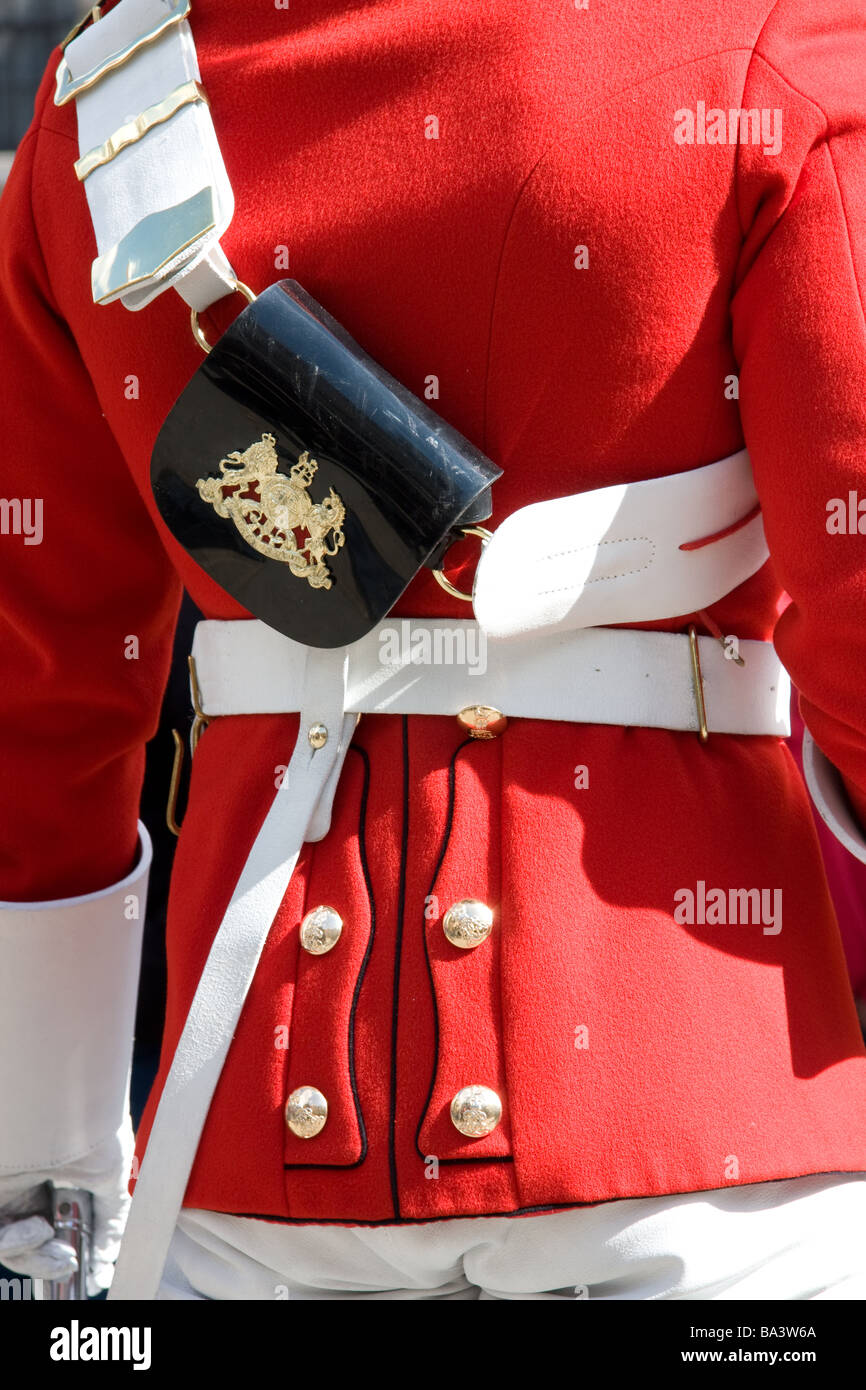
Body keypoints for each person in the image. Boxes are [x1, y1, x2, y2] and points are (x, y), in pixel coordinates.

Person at [1, 0, 866, 1301]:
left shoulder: (102, 95)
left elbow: (38, 709)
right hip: (701, 1151)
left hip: (236, 1179)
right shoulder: (775, 39)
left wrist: (45, 1189)